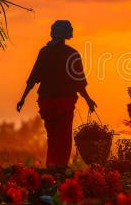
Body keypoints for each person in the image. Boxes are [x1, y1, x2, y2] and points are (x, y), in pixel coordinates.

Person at [17, 20, 97, 168]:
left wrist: (22, 99)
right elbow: (79, 83)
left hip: (47, 102)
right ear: (67, 34)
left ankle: (53, 166)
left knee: (53, 136)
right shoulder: (72, 54)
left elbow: (32, 79)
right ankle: (59, 167)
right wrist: (88, 99)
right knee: (64, 137)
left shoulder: (45, 52)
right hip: (65, 101)